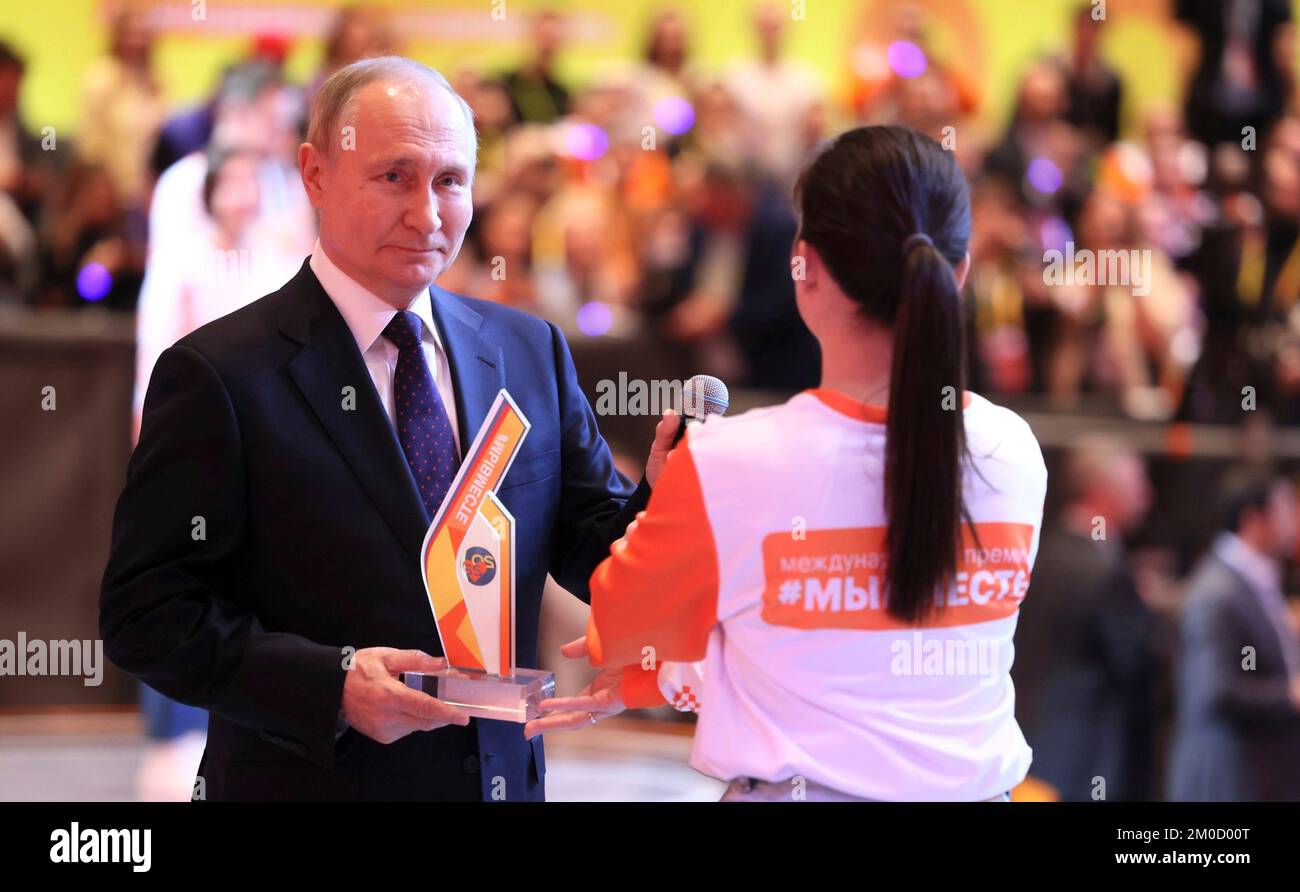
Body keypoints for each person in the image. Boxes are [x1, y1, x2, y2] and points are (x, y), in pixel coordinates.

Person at [100, 56, 678, 802]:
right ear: (314, 174)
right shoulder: (221, 374)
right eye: (394, 177)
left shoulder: (529, 351)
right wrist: (331, 686)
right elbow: (144, 613)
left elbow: (591, 540)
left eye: (450, 181)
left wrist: (660, 510)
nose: (429, 215)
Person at [529, 126, 1049, 802]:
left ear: (805, 268)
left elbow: (623, 626)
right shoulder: (1015, 450)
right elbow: (872, 662)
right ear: (960, 271)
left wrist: (661, 505)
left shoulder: (730, 463)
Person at [1012, 436, 1162, 801]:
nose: (1147, 498)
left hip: (1022, 748)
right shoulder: (1106, 573)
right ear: (1103, 490)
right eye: (1137, 485)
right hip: (1084, 764)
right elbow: (1139, 667)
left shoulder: (1036, 555)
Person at [1168, 472, 1300, 801]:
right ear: (1254, 519)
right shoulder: (1218, 591)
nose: (1293, 520)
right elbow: (1217, 691)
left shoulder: (1255, 578)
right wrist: (1291, 695)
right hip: (1232, 781)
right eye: (1285, 509)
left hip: (1263, 774)